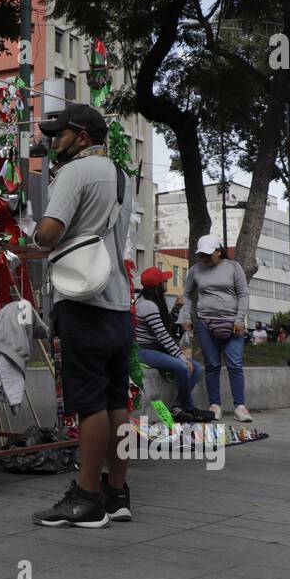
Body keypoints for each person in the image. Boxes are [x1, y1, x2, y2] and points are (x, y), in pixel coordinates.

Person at [29, 105, 134, 529]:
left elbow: (51, 233)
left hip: (83, 301)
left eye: (61, 134)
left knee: (88, 404)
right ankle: (117, 492)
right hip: (118, 304)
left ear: (84, 137)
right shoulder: (122, 176)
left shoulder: (74, 173)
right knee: (115, 403)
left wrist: (34, 238)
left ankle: (88, 497)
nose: (55, 141)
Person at [178, 235, 252, 422]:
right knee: (212, 366)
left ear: (219, 251)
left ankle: (240, 407)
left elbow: (243, 294)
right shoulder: (195, 270)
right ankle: (215, 406)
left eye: (208, 254)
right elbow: (187, 294)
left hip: (232, 323)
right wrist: (186, 317)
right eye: (201, 254)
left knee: (235, 365)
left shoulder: (234, 267)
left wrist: (239, 320)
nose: (204, 258)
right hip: (205, 323)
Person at [135, 267, 201, 413]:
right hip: (145, 351)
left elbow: (165, 323)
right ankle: (188, 408)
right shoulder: (147, 305)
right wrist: (181, 357)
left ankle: (178, 406)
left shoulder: (151, 301)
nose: (167, 283)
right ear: (158, 286)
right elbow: (162, 335)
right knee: (184, 367)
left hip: (154, 349)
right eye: (164, 281)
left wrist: (176, 308)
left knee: (196, 367)